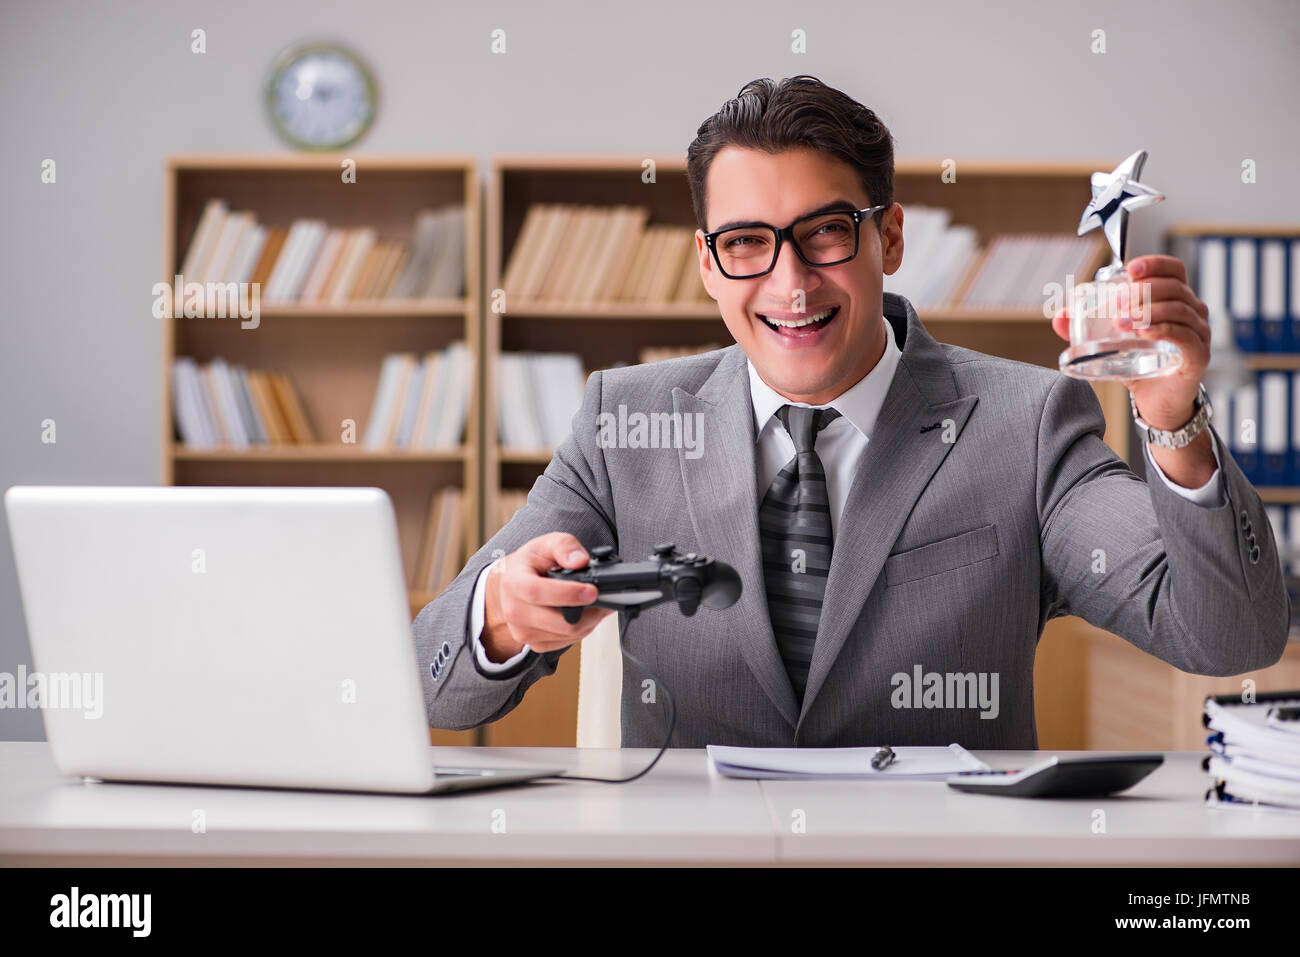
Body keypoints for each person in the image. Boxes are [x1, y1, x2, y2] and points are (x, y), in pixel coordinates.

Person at [414, 75, 1289, 748]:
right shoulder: (624, 421)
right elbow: (428, 680)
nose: (790, 283)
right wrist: (500, 613)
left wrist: (1173, 415)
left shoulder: (1026, 422)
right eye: (748, 243)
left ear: (890, 238)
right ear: (708, 264)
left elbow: (1228, 635)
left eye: (826, 232)